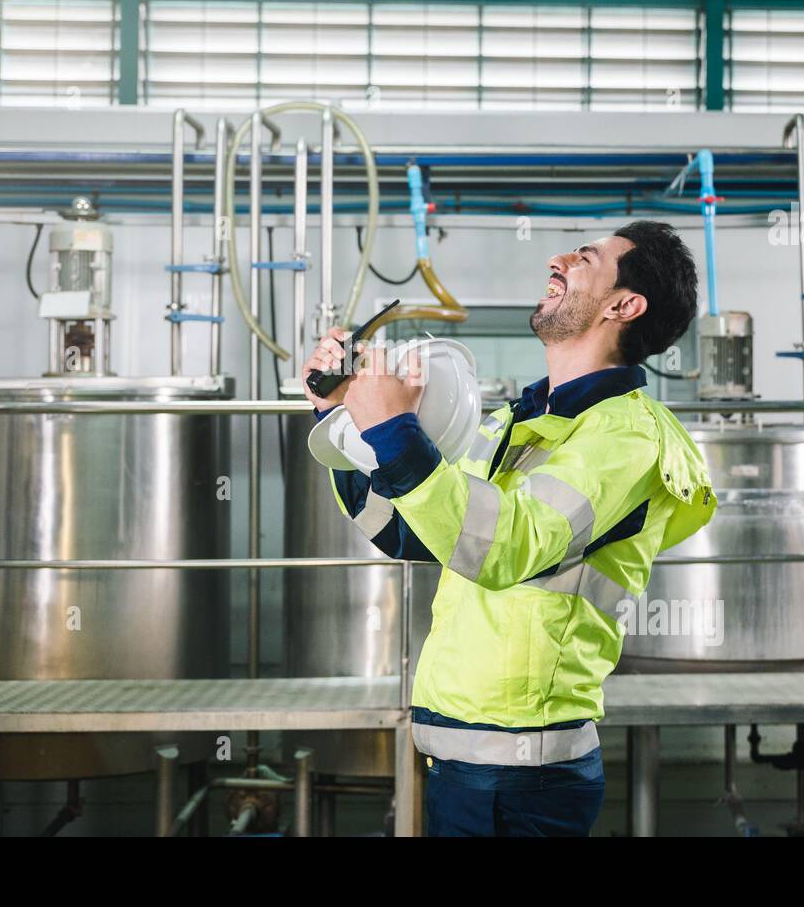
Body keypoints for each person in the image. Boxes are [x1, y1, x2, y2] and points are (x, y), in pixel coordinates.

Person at [302, 220, 716, 837]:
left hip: (524, 769)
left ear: (624, 306)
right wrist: (348, 424)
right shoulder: (514, 424)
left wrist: (393, 427)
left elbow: (502, 546)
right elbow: (412, 533)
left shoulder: (624, 435)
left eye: (585, 258)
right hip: (462, 754)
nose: (557, 258)